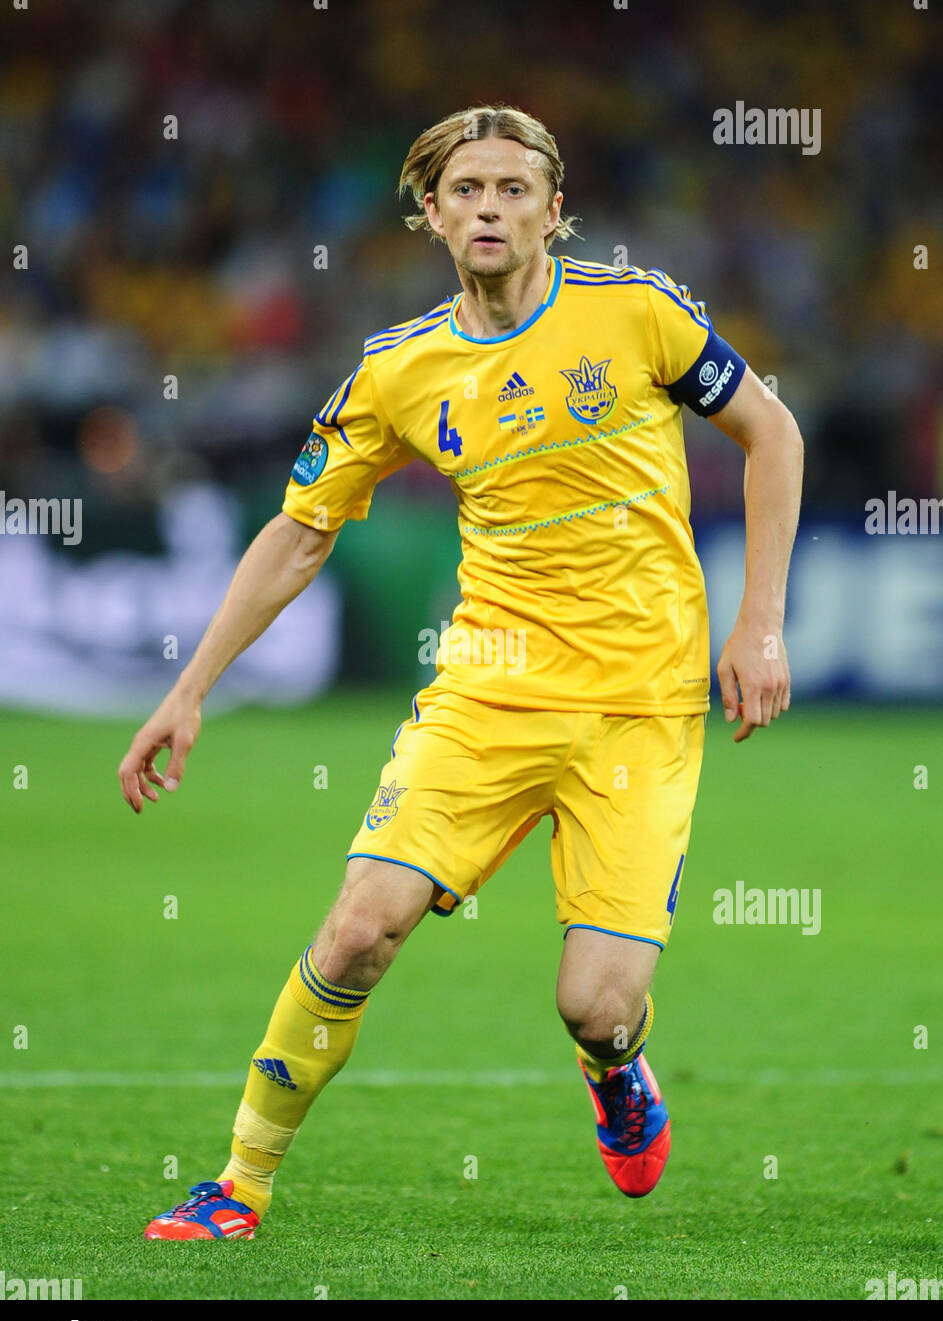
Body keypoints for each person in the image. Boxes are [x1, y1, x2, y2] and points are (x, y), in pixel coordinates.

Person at [119, 105, 802, 1240]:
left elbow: (770, 434)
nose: (491, 207)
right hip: (485, 691)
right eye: (468, 190)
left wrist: (761, 624)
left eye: (514, 188)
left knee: (593, 1002)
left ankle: (616, 1068)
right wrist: (188, 688)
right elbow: (299, 532)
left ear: (553, 209)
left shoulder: (635, 312)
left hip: (638, 708)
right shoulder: (398, 370)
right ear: (430, 214)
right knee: (355, 929)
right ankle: (237, 1184)